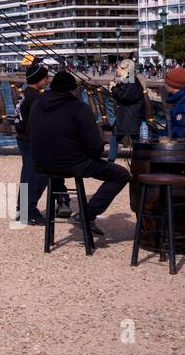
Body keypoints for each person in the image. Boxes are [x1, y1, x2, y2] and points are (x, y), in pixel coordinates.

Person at [28, 70, 131, 236]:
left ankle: (66, 205)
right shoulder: (79, 108)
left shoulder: (37, 104)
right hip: (73, 164)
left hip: (41, 164)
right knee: (121, 175)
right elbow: (96, 148)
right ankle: (87, 215)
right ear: (72, 89)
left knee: (64, 165)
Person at [13, 63, 71, 225]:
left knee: (28, 175)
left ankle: (23, 209)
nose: (48, 80)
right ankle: (28, 212)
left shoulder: (25, 94)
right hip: (32, 140)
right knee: (36, 176)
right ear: (38, 79)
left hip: (22, 138)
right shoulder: (36, 98)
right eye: (45, 78)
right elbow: (37, 122)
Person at [109, 58, 147, 157]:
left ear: (125, 68)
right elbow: (123, 94)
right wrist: (116, 87)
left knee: (134, 141)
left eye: (118, 68)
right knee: (114, 138)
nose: (117, 70)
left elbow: (125, 97)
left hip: (131, 117)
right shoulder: (129, 79)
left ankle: (139, 162)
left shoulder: (132, 80)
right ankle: (111, 161)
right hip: (127, 116)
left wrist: (113, 88)